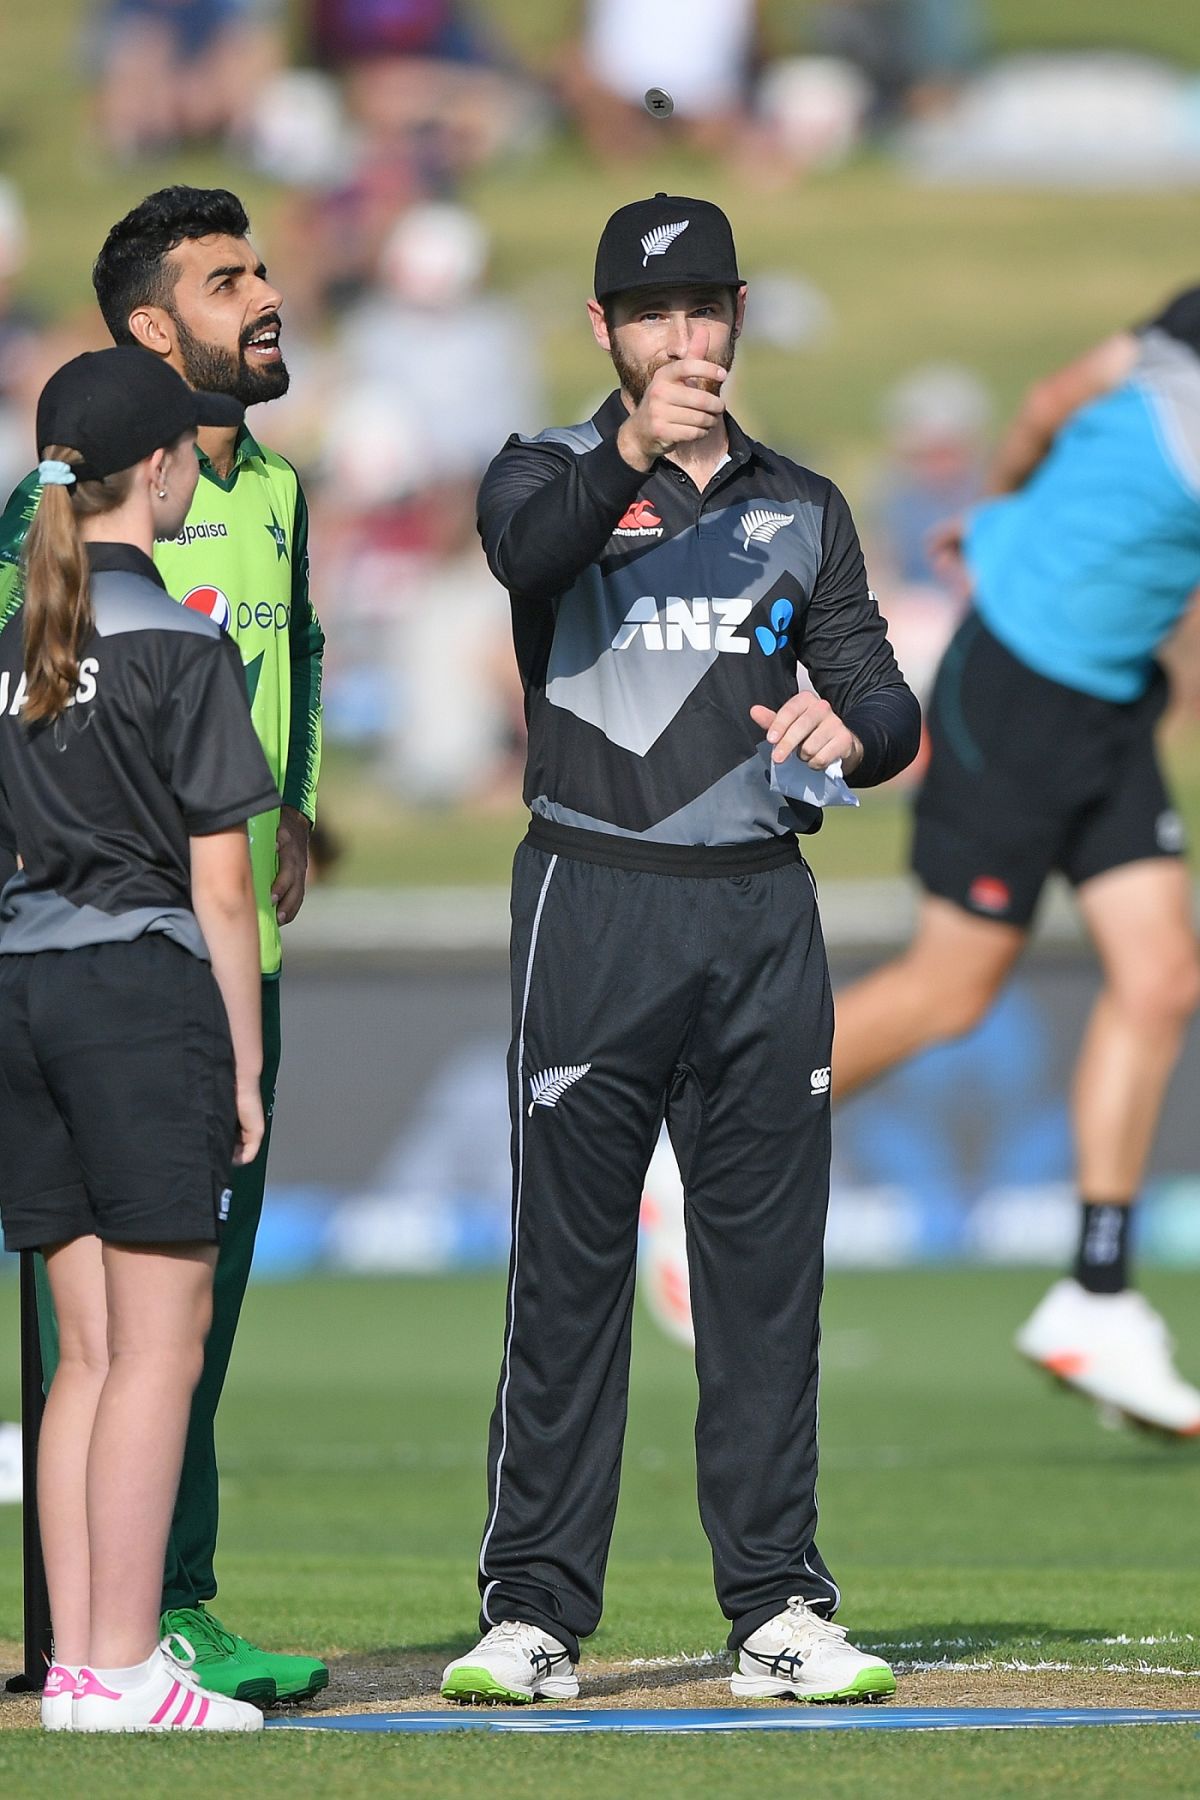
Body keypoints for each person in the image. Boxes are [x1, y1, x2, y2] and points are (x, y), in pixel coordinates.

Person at [440, 193, 920, 1706]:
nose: (685, 336)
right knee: (568, 1275)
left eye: (707, 307)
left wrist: (862, 731)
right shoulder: (545, 472)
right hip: (595, 897)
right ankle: (532, 1613)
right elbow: (533, 553)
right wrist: (635, 442)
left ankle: (777, 1604)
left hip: (763, 911)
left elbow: (886, 702)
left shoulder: (804, 504)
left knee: (768, 1278)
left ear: (739, 315)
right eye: (654, 313)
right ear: (605, 330)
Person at [0, 186, 327, 1702]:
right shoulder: (170, 633)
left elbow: (299, 662)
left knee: (90, 1353)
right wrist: (243, 1065)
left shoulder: (39, 632)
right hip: (149, 991)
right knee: (156, 1351)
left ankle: (84, 1660)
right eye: (227, 278)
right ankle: (127, 1656)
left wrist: (299, 813)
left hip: (27, 980)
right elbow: (211, 889)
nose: (265, 293)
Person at [833, 287, 1200, 1437]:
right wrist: (1002, 535)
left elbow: (1050, 402)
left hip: (1111, 701)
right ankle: (696, 1156)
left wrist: (997, 517)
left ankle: (1095, 1296)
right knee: (952, 990)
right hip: (1021, 688)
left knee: (1161, 980)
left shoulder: (1177, 333)